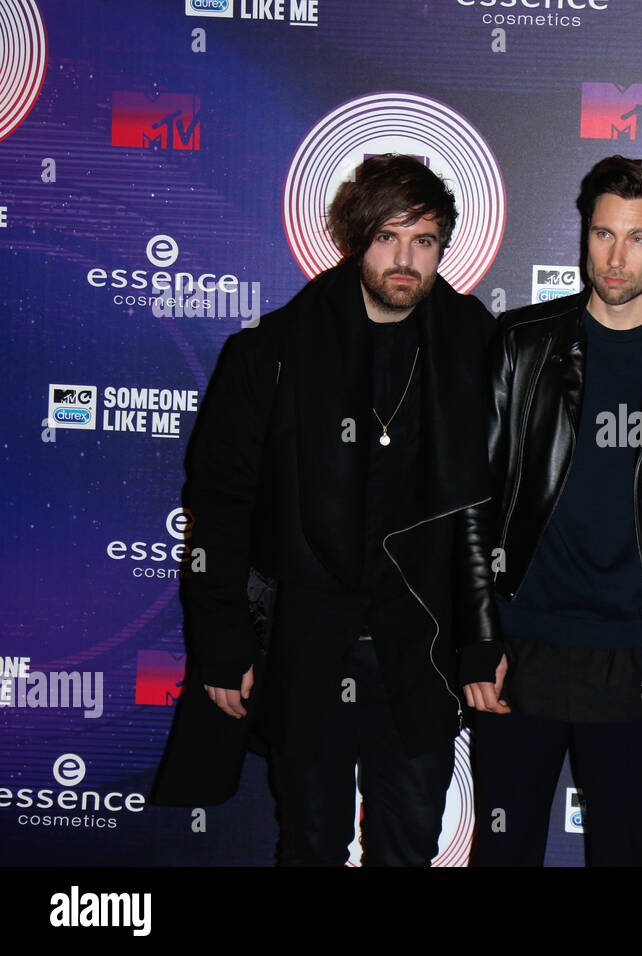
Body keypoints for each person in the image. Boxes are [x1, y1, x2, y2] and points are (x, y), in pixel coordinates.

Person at [152, 153, 497, 866]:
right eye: (388, 237)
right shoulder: (272, 354)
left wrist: (487, 641)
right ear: (354, 237)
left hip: (420, 653)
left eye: (425, 241)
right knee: (310, 843)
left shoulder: (480, 353)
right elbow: (220, 509)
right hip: (307, 647)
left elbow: (493, 516)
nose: (405, 260)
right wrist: (223, 643)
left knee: (407, 848)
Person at [460, 155, 642, 867]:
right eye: (602, 233)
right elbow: (472, 503)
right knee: (501, 854)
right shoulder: (521, 346)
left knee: (621, 855)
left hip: (634, 663)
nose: (615, 256)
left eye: (637, 238)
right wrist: (479, 637)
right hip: (520, 655)